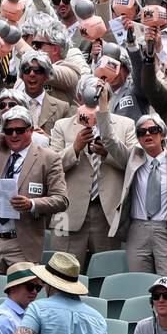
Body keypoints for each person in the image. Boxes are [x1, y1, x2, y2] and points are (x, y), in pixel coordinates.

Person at [0, 100, 69, 273]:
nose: (14, 135)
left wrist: (32, 204)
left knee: (22, 296)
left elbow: (61, 200)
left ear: (31, 130)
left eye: (20, 130)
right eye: (9, 131)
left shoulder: (49, 158)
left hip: (23, 242)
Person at [49, 85, 135, 269]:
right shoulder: (62, 126)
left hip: (107, 213)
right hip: (68, 212)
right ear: (79, 98)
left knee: (107, 272)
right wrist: (75, 148)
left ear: (107, 100)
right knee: (62, 274)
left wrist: (108, 153)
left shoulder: (126, 125)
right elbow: (50, 167)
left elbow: (133, 163)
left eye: (99, 99)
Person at [107, 109, 167, 278]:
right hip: (138, 230)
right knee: (139, 286)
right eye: (142, 132)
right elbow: (109, 140)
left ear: (163, 134)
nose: (147, 134)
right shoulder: (132, 158)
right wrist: (103, 107)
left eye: (153, 130)